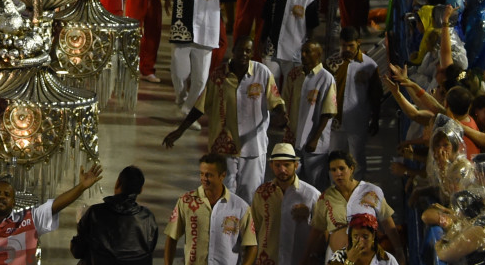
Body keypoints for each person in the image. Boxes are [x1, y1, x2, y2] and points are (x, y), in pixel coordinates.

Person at [163, 35, 287, 205]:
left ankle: (246, 230)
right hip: (224, 146)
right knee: (224, 195)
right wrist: (180, 130)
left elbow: (276, 101)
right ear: (233, 51)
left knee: (250, 196)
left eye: (248, 50)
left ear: (252, 53)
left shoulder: (262, 73)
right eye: (240, 50)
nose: (244, 53)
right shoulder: (218, 76)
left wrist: (281, 114)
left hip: (253, 147)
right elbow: (201, 106)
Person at [163, 153, 257, 265]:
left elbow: (251, 244)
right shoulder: (186, 202)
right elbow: (171, 237)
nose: (204, 178)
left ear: (222, 175)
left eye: (209, 175)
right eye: (202, 174)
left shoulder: (240, 207)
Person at [167, 0, 234, 113]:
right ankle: (181, 96)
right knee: (179, 73)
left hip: (205, 34)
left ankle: (188, 107)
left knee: (200, 79)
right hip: (182, 32)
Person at [306, 151, 395, 265]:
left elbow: (387, 222)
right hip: (337, 261)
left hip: (368, 260)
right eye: (333, 170)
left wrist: (398, 250)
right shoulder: (326, 197)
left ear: (351, 169)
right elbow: (317, 229)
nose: (338, 173)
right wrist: (306, 256)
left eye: (342, 168)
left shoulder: (370, 191)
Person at [71, 164, 159, 265]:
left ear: (117, 183)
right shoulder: (148, 218)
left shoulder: (95, 214)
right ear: (140, 190)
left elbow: (77, 251)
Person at [250, 142, 320, 265]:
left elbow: (321, 230)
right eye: (278, 165)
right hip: (267, 264)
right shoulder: (262, 193)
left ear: (296, 165)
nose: (282, 169)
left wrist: (313, 257)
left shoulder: (311, 195)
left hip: (298, 264)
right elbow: (253, 229)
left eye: (287, 165)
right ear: (271, 166)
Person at [286, 39, 340, 189]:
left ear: (318, 55)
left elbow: (328, 112)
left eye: (307, 52)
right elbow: (286, 102)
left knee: (315, 185)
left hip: (314, 144)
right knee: (295, 184)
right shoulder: (294, 75)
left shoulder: (326, 78)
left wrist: (315, 139)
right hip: (294, 141)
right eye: (302, 51)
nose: (303, 55)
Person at [332, 27, 380, 171]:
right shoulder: (331, 63)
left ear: (359, 43)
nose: (346, 49)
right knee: (335, 159)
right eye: (343, 45)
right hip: (335, 122)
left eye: (350, 45)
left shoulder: (370, 65)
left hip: (358, 122)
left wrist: (375, 119)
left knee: (356, 160)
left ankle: (357, 191)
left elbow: (376, 95)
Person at [260, 0, 318, 82]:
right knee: (270, 87)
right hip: (272, 50)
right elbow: (267, 20)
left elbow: (311, 28)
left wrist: (307, 51)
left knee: (290, 90)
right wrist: (262, 41)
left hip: (294, 53)